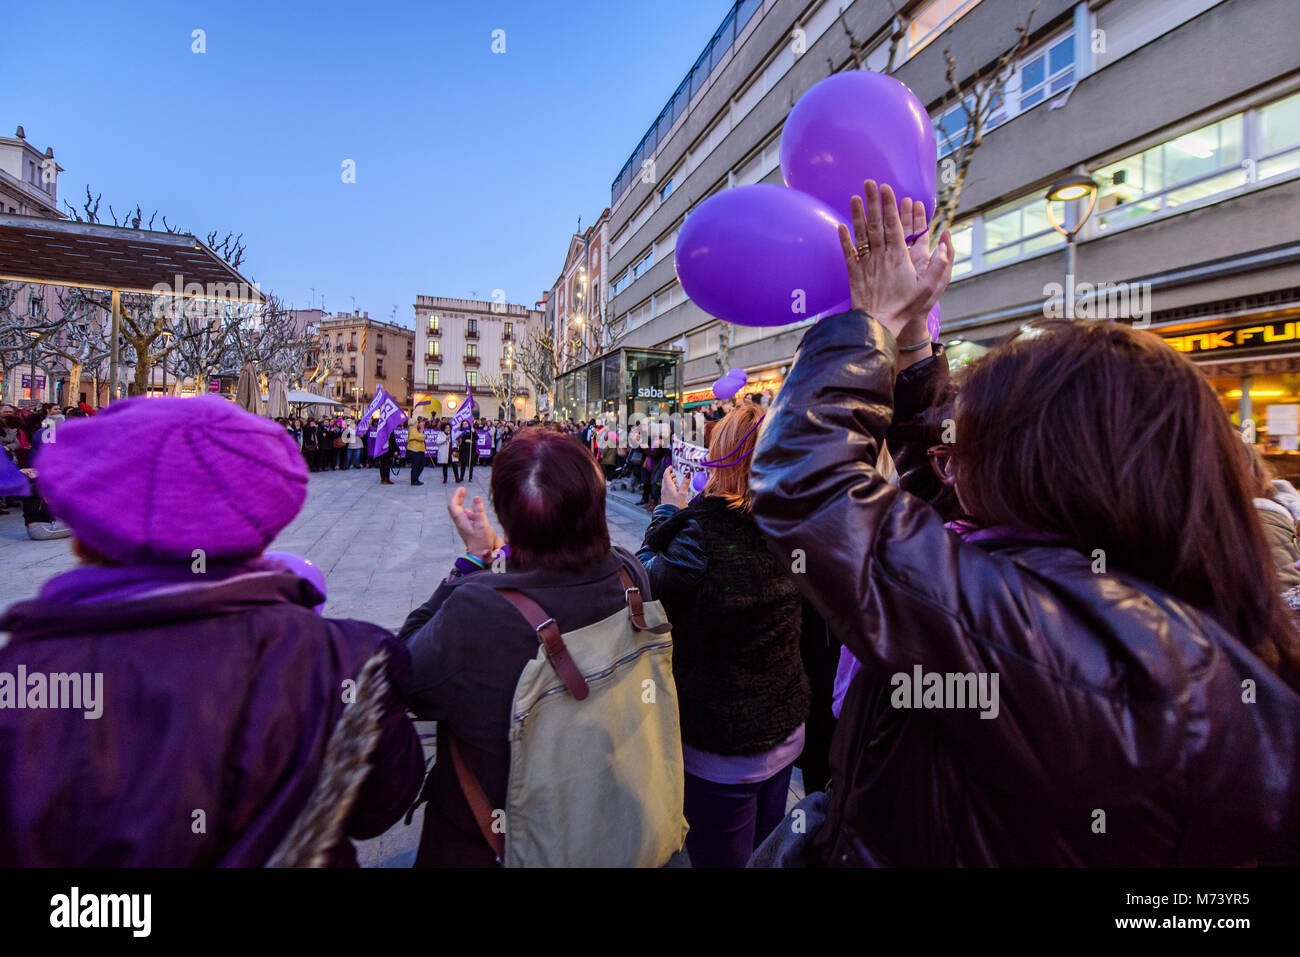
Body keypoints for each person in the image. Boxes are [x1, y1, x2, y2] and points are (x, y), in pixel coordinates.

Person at [748, 179, 1300, 866]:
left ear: (1048, 466)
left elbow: (805, 484)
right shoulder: (1102, 603)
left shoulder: (1088, 657)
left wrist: (874, 326)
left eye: (976, 443)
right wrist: (914, 349)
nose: (950, 458)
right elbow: (938, 508)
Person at [0, 396, 423, 865]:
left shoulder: (23, 676)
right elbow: (382, 805)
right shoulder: (350, 660)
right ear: (261, 524)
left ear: (81, 534)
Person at [398, 428, 681, 867]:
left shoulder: (476, 611)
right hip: (609, 826)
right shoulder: (629, 577)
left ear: (508, 517)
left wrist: (471, 562)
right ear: (595, 505)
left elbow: (402, 670)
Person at [636, 405, 810, 868]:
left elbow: (644, 583)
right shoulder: (798, 525)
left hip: (722, 747)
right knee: (768, 850)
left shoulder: (698, 534)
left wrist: (665, 514)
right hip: (784, 730)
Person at [407, 417, 427, 486]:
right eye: (417, 422)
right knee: (416, 466)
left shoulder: (415, 430)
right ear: (414, 423)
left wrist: (422, 433)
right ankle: (413, 480)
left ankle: (416, 479)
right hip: (415, 450)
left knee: (420, 465)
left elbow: (422, 437)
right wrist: (422, 429)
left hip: (419, 450)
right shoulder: (412, 429)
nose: (418, 423)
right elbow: (420, 437)